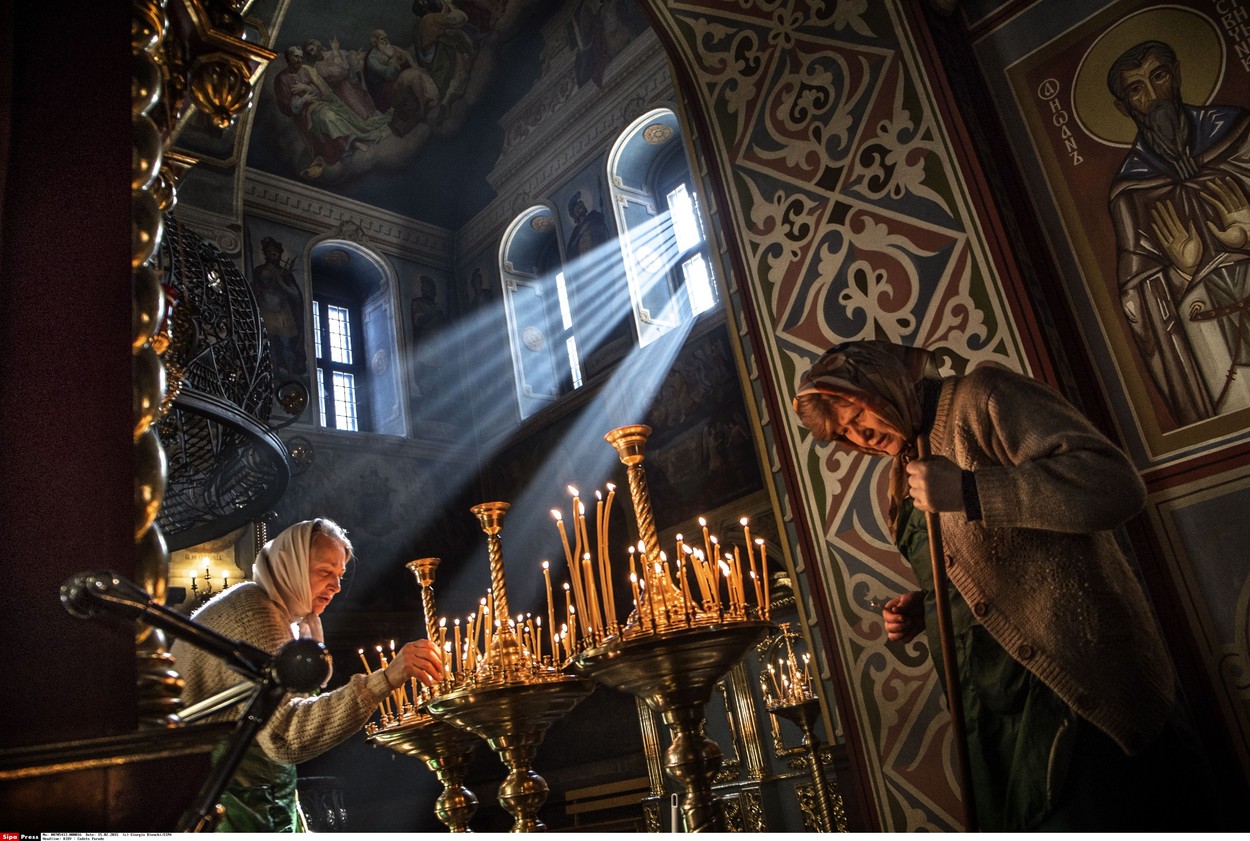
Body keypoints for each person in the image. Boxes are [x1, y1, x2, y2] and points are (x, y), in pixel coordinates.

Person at [791, 339, 1219, 831]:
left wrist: (971, 490)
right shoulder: (900, 473)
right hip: (990, 712)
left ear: (884, 385)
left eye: (858, 414)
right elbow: (970, 565)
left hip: (1068, 684)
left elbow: (1115, 485)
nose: (860, 436)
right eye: (845, 432)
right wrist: (927, 605)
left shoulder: (983, 398)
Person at [173, 519, 444, 832]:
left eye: (339, 575)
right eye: (324, 571)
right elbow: (288, 735)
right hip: (226, 807)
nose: (337, 586)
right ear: (290, 564)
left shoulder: (283, 615)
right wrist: (386, 679)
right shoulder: (254, 612)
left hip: (254, 796)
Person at [1107, 40, 1250, 426]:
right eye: (1137, 89)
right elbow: (1138, 303)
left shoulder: (1238, 135)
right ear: (1124, 106)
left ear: (1178, 74)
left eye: (1159, 76)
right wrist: (1181, 272)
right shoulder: (1131, 194)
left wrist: (1247, 236)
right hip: (1213, 346)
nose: (1153, 96)